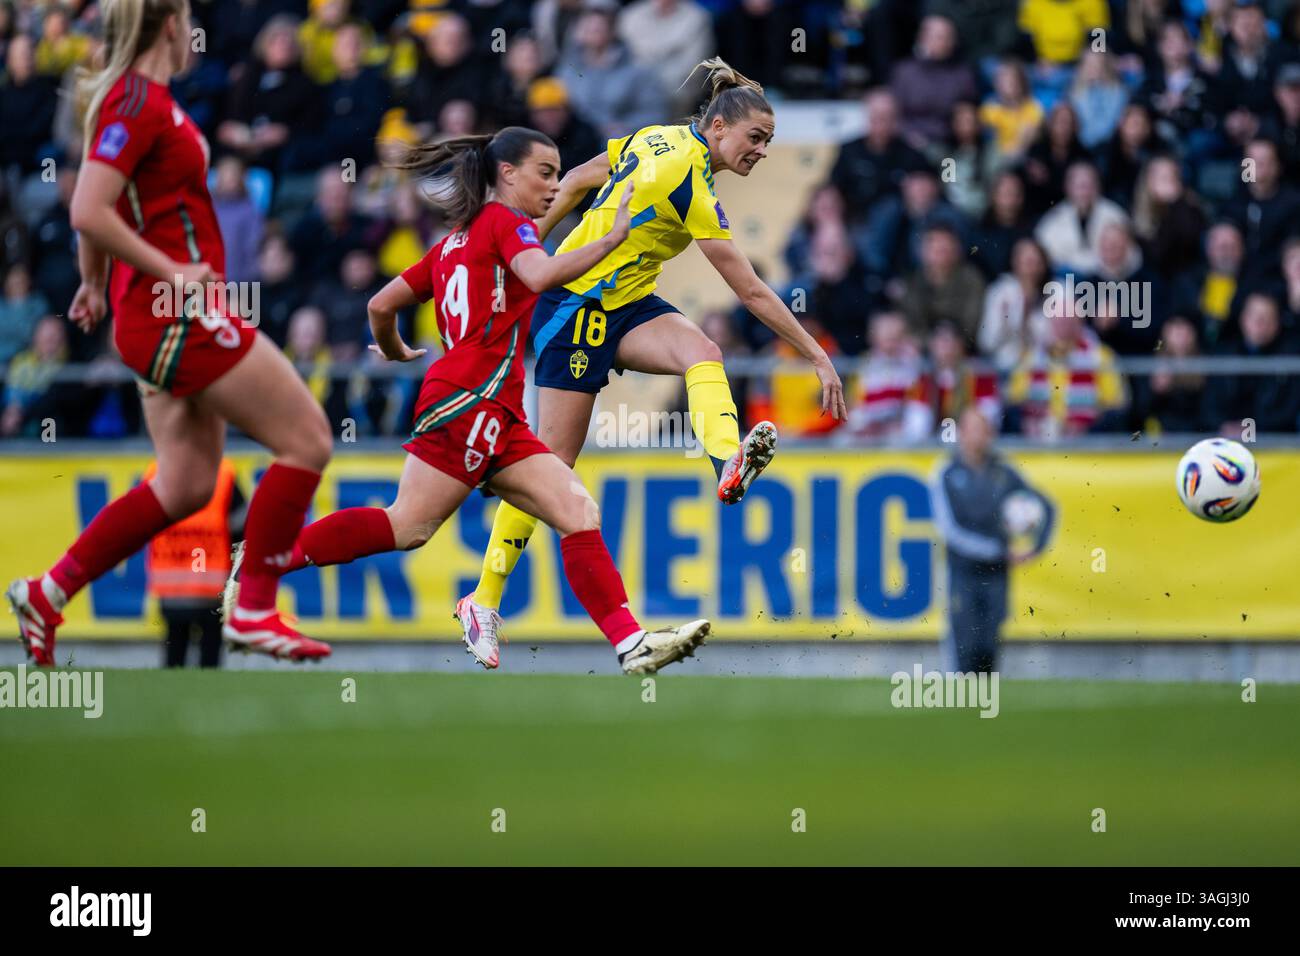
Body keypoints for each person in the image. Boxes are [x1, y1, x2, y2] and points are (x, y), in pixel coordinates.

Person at [224, 126, 710, 675]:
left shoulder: (457, 238)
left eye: (557, 174)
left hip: (491, 405)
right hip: (470, 396)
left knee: (576, 510)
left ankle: (631, 643)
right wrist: (611, 237)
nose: (556, 186)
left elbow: (381, 305)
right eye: (544, 173)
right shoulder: (506, 222)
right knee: (408, 525)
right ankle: (262, 564)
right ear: (508, 175)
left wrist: (397, 348)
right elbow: (541, 272)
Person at [459, 58, 847, 660]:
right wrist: (818, 356)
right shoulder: (686, 177)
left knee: (703, 351)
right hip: (577, 306)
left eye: (769, 141)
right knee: (553, 466)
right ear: (718, 129)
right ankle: (481, 599)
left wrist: (529, 242)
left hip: (627, 299)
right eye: (756, 138)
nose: (763, 150)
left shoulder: (656, 136)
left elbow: (583, 177)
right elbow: (748, 290)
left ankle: (727, 461)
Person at [5, 0, 333, 666]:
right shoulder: (136, 102)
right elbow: (87, 206)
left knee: (184, 482)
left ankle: (49, 589)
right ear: (172, 24)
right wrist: (171, 270)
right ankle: (254, 606)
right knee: (308, 440)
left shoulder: (137, 100)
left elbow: (102, 205)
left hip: (147, 314)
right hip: (173, 312)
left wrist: (95, 283)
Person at [929, 407, 1054, 673]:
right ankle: (959, 706)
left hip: (997, 574)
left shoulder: (1004, 472)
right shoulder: (945, 472)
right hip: (962, 571)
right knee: (964, 643)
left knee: (989, 644)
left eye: (982, 429)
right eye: (971, 429)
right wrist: (996, 551)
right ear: (960, 433)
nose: (976, 436)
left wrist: (1036, 546)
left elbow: (1045, 506)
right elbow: (949, 530)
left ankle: (985, 708)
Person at [144, 457, 245, 668]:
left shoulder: (155, 472)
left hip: (171, 584)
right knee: (210, 654)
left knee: (174, 649)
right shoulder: (223, 473)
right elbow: (240, 526)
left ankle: (170, 696)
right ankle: (209, 696)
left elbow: (140, 525)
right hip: (211, 581)